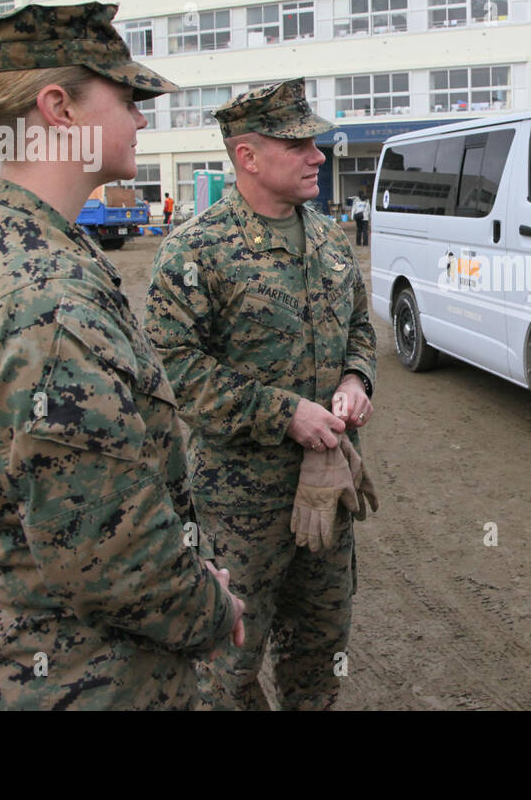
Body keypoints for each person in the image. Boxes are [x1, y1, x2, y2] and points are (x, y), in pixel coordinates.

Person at [0, 2, 244, 710]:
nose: (141, 118)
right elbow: (109, 559)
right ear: (59, 108)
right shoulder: (49, 295)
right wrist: (212, 608)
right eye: (127, 98)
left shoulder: (8, 244)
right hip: (85, 681)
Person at [144, 78, 377, 711]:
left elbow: (360, 328)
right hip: (240, 505)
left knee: (321, 647)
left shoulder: (329, 239)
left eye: (315, 141)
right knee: (230, 660)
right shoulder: (194, 251)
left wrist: (356, 380)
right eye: (298, 143)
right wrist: (284, 413)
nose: (318, 155)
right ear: (248, 156)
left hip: (325, 493)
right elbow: (176, 370)